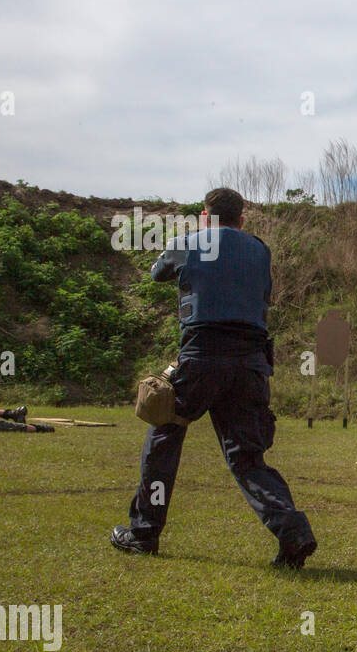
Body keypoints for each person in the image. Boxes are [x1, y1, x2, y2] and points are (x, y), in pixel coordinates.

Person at [110, 188, 317, 568]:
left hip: (202, 356)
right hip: (251, 363)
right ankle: (293, 532)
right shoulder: (260, 250)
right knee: (247, 457)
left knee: (165, 435)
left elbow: (158, 273)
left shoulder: (187, 242)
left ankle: (143, 533)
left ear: (205, 216)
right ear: (241, 219)